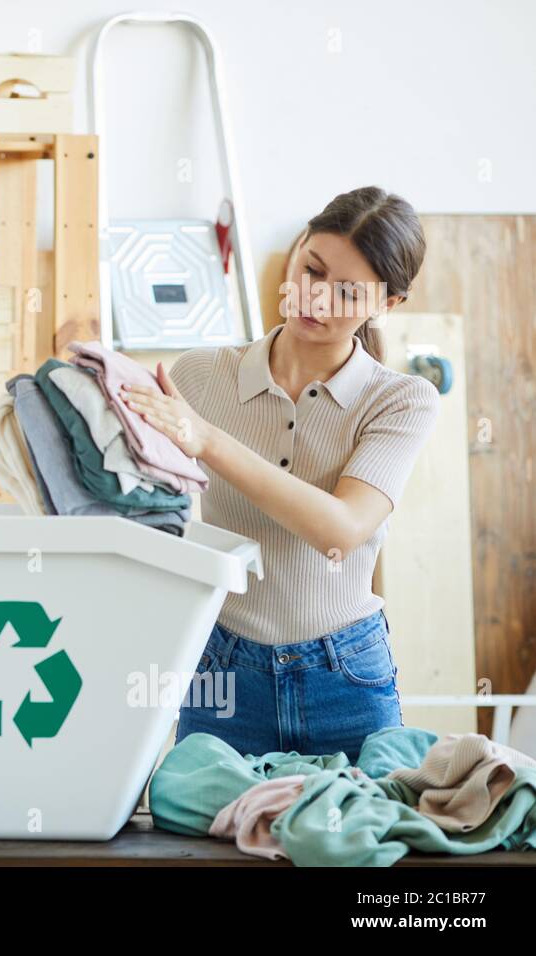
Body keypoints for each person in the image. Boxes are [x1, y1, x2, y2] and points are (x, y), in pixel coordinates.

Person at [121, 186, 441, 761]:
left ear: (387, 304)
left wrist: (208, 440)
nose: (315, 298)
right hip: (221, 669)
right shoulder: (198, 377)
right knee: (193, 841)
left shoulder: (400, 400)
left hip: (346, 676)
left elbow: (340, 529)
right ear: (297, 252)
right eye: (312, 269)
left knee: (355, 840)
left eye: (347, 291)